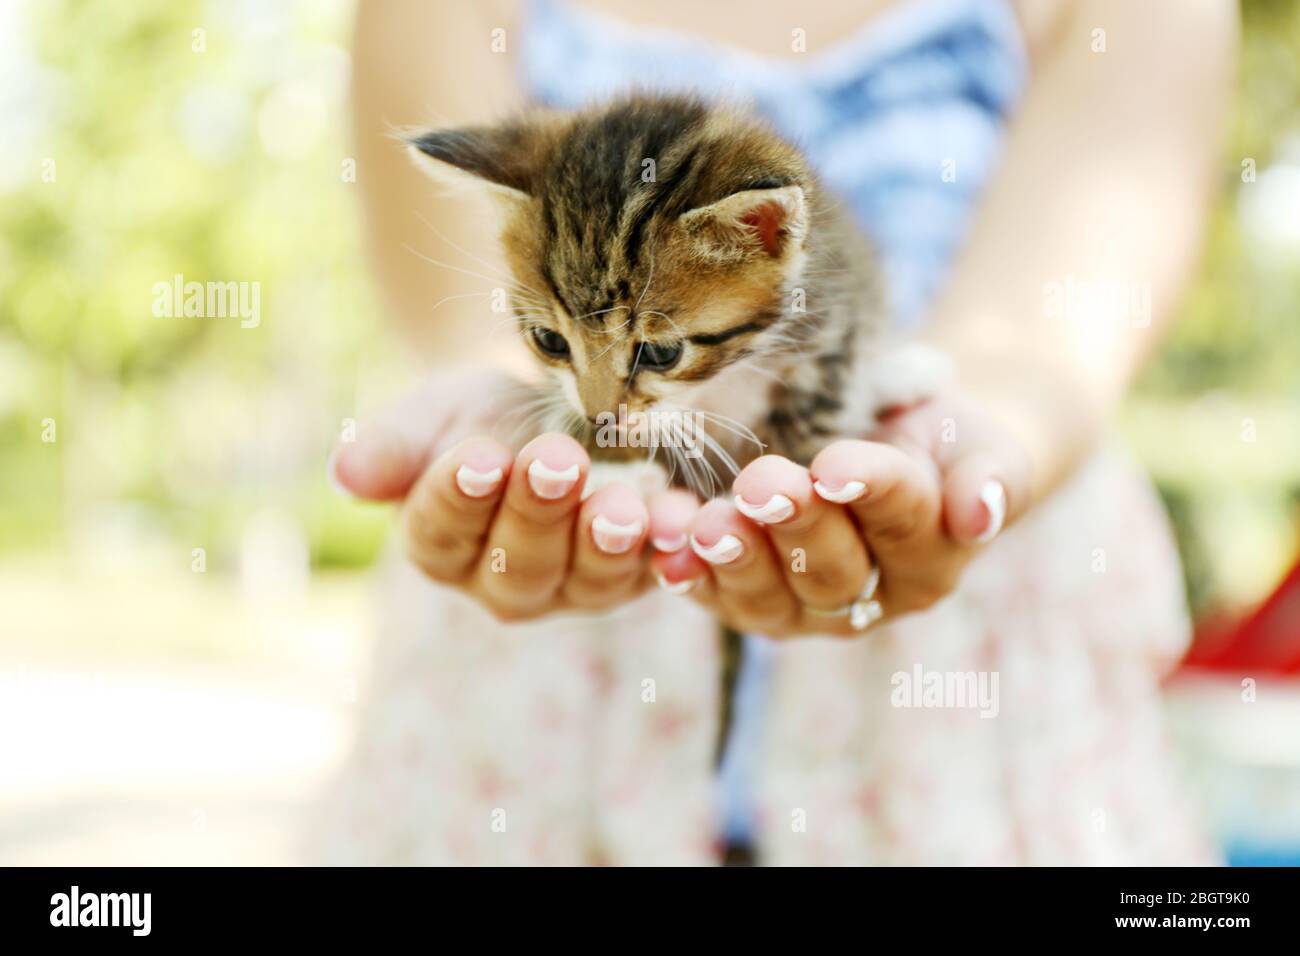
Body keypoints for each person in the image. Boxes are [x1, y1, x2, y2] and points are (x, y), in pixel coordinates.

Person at [316, 0, 1235, 865]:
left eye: (657, 356)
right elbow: (471, 330)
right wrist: (513, 399)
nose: (601, 402)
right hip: (537, 710)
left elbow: (1044, 340)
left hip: (964, 709)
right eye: (559, 346)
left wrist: (976, 426)